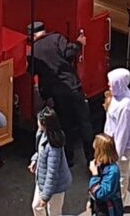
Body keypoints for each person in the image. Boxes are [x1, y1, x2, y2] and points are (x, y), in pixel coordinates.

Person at [27, 20, 91, 198]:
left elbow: (31, 72)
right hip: (72, 86)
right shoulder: (56, 38)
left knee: (65, 124)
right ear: (44, 31)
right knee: (84, 122)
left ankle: (69, 158)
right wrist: (80, 42)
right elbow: (70, 52)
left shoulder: (33, 51)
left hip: (56, 92)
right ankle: (91, 159)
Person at [28, 106, 72, 216]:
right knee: (37, 206)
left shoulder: (54, 146)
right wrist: (35, 160)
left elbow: (52, 174)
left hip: (56, 186)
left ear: (44, 124)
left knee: (54, 215)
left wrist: (45, 197)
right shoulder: (43, 134)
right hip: (42, 180)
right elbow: (39, 151)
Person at [88, 135, 129, 216]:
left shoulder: (112, 171)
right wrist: (90, 201)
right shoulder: (100, 164)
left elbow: (102, 193)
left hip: (107, 208)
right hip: (99, 207)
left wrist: (94, 175)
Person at [103, 67, 130, 162]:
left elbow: (122, 132)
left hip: (124, 146)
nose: (108, 84)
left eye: (111, 83)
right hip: (114, 141)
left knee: (122, 173)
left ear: (118, 84)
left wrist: (117, 155)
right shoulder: (121, 94)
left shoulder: (125, 105)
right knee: (126, 170)